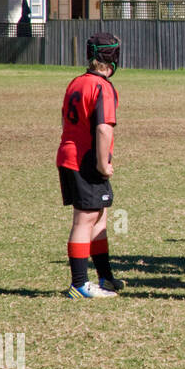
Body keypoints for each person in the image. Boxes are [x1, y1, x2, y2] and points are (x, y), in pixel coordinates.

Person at [57, 32, 123, 299]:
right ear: (112, 58)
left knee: (100, 215)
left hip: (68, 154)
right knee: (84, 219)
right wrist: (102, 163)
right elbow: (103, 129)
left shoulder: (76, 82)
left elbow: (64, 121)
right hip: (86, 161)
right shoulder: (102, 87)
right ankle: (80, 284)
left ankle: (105, 277)